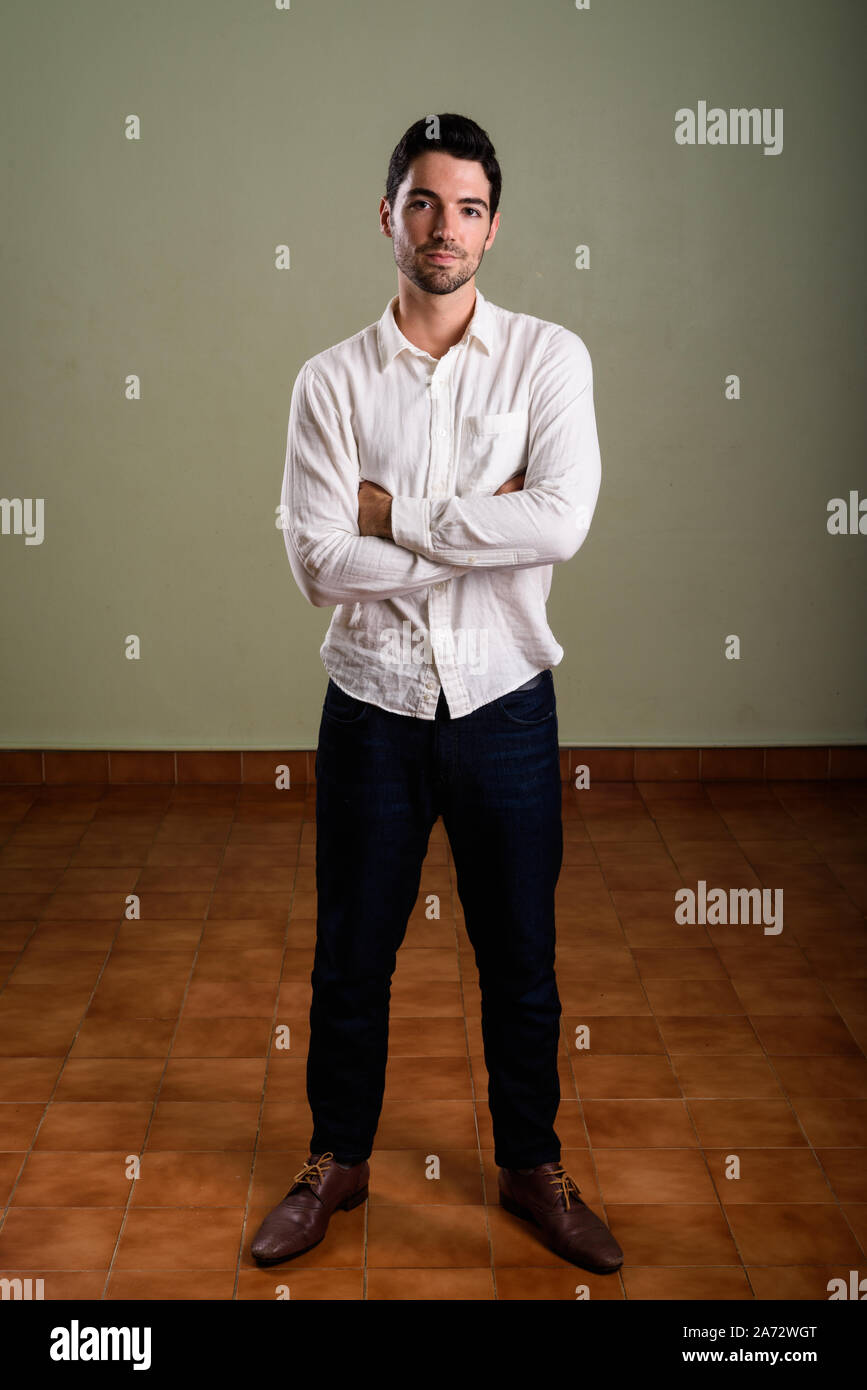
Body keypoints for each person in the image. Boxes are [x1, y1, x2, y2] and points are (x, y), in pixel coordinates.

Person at [254, 113, 622, 1278]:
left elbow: (558, 520)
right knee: (350, 955)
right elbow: (318, 563)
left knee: (523, 955)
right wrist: (480, 530)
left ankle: (533, 1165)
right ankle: (336, 1161)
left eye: (466, 207)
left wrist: (391, 514)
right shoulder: (329, 381)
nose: (443, 227)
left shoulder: (549, 359)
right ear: (388, 214)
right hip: (372, 705)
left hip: (507, 705)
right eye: (422, 201)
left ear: (494, 227)